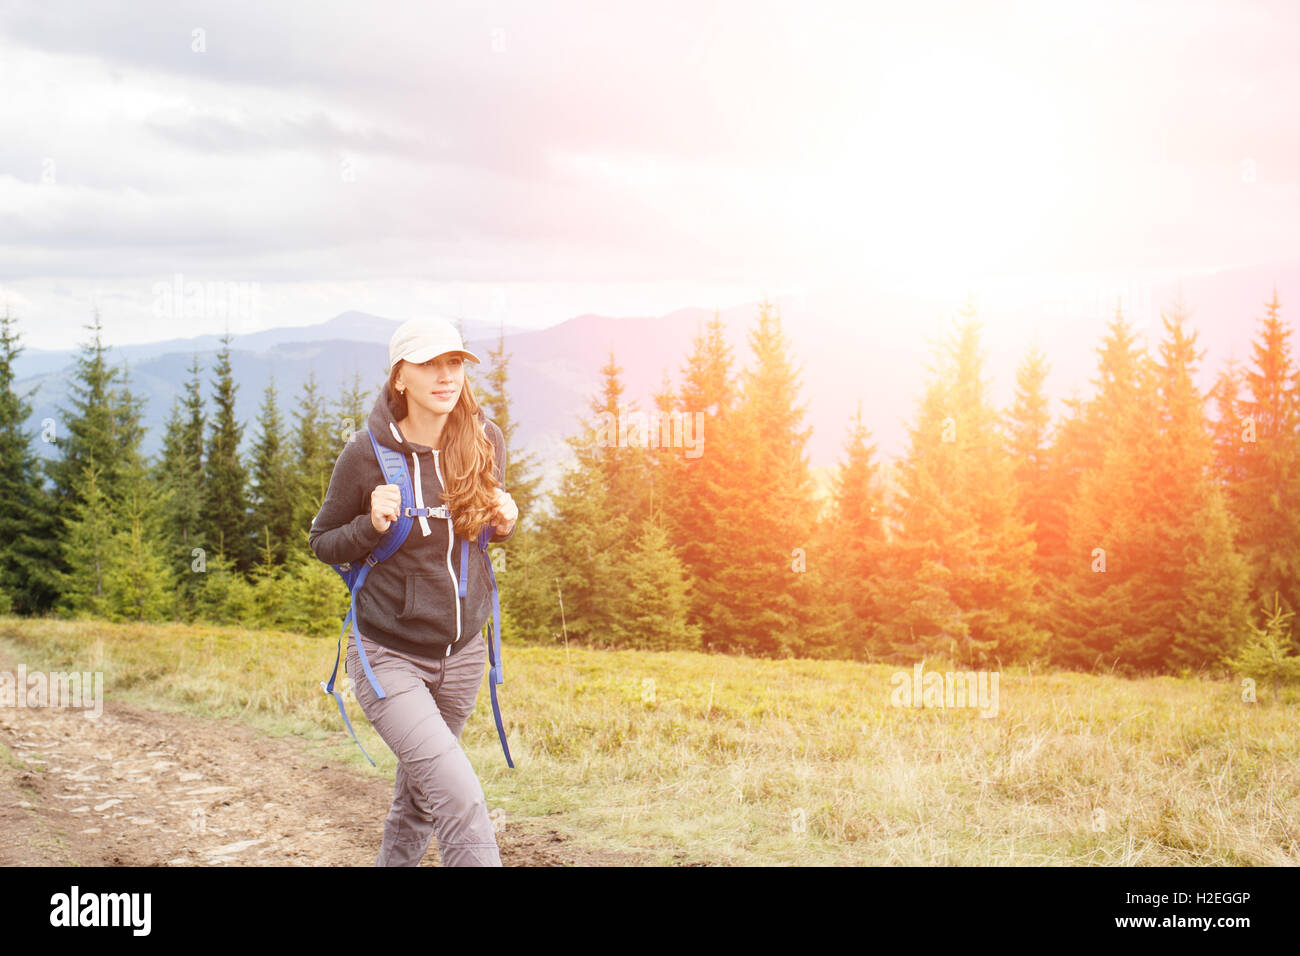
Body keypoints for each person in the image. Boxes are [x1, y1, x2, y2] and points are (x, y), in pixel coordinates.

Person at [309, 316, 519, 867]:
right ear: (400, 376)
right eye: (429, 364)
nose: (446, 376)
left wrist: (505, 521)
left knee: (421, 801)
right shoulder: (367, 454)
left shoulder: (485, 441)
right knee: (461, 797)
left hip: (463, 656)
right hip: (387, 658)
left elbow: (476, 540)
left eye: (454, 363)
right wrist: (369, 527)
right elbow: (323, 541)